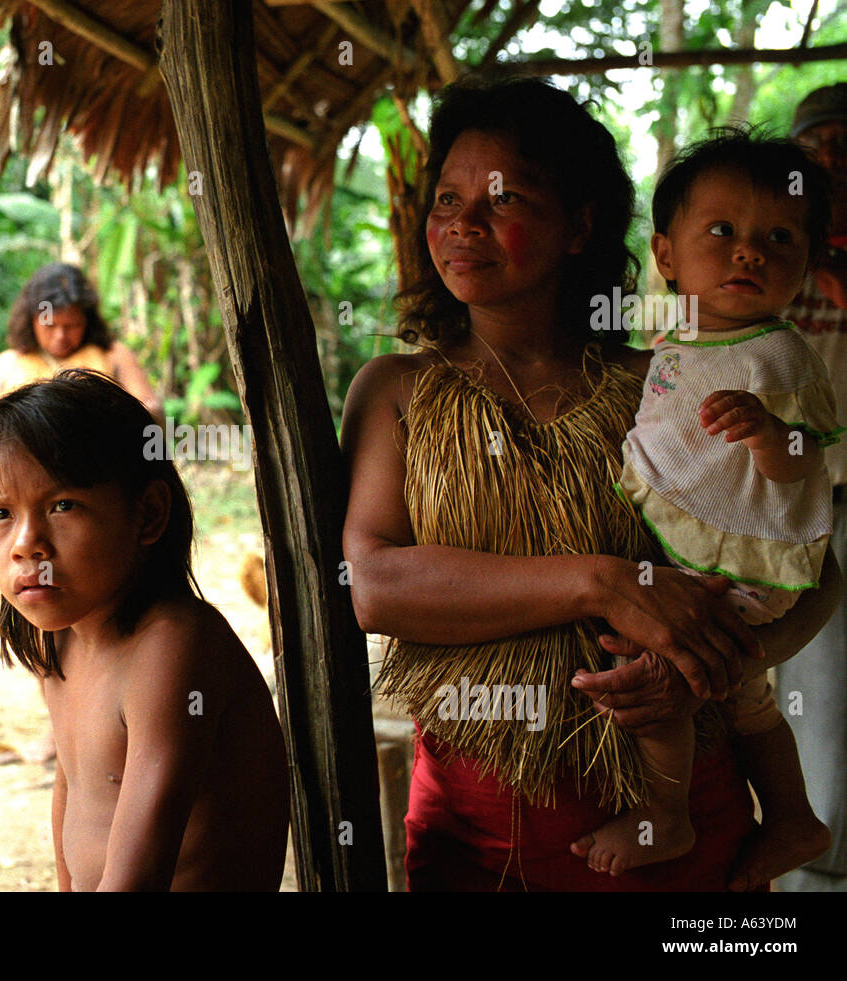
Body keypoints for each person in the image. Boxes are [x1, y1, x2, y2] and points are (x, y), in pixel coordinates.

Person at [340, 75, 840, 891]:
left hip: (679, 821)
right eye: (447, 199)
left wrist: (709, 663)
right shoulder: (397, 389)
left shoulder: (670, 390)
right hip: (480, 825)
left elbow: (812, 563)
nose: (464, 223)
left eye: (504, 199)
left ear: (580, 225)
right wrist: (603, 584)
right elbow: (375, 584)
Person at [571, 130, 835, 884]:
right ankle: (791, 816)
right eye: (722, 232)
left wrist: (768, 436)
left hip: (746, 555)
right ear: (665, 254)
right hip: (698, 550)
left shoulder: (778, 355)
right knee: (748, 695)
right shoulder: (677, 341)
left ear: (808, 267)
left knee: (664, 677)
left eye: (778, 238)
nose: (748, 252)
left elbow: (804, 463)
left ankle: (667, 812)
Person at [0, 369, 289, 890]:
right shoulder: (62, 636)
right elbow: (72, 803)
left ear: (149, 513)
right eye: (0, 513)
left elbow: (142, 876)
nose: (26, 543)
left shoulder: (174, 646)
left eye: (62, 505)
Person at [0, 262, 160, 548]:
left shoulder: (113, 356)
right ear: (32, 318)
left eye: (71, 325)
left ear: (87, 320)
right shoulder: (6, 366)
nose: (61, 336)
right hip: (23, 502)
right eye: (51, 325)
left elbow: (152, 415)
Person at [780, 82, 847, 892]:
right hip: (807, 506)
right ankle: (815, 878)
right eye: (819, 146)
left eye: (845, 145)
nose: (832, 157)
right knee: (818, 701)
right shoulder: (774, 254)